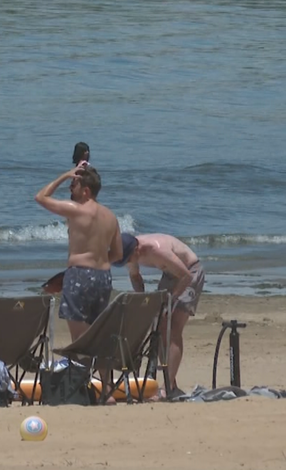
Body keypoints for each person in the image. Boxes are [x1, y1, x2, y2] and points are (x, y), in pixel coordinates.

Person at [35, 165, 122, 342]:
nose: (70, 187)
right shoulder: (111, 217)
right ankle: (100, 368)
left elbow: (41, 197)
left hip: (80, 275)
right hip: (104, 278)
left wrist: (64, 175)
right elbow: (118, 253)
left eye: (73, 184)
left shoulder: (76, 209)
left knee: (79, 338)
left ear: (86, 191)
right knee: (96, 333)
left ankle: (82, 369)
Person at [114, 233, 206, 397]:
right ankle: (172, 382)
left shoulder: (157, 250)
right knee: (159, 325)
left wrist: (171, 301)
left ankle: (168, 386)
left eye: (128, 259)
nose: (129, 263)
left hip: (189, 272)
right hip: (171, 274)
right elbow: (135, 276)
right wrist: (143, 301)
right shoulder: (129, 251)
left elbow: (186, 276)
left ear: (136, 250)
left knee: (173, 327)